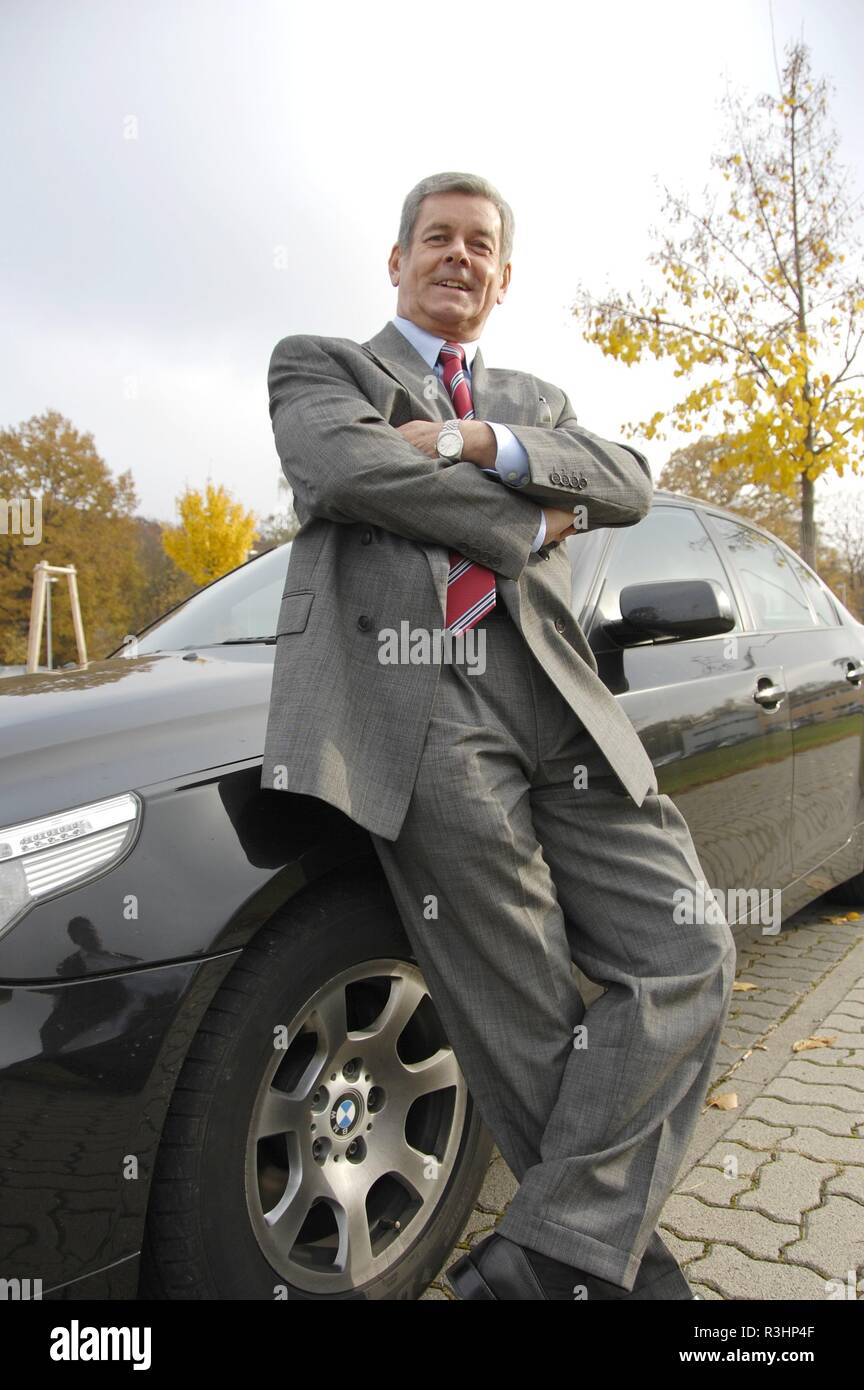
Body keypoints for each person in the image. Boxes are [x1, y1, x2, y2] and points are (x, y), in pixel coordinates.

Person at [261, 170, 736, 1300]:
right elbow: (339, 466)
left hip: (562, 700)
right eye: (438, 238)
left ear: (504, 275)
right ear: (397, 260)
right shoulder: (321, 365)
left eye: (481, 244)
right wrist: (536, 512)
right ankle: (606, 1271)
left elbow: (628, 482)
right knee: (525, 1008)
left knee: (692, 952)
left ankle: (549, 1256)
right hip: (423, 703)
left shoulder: (533, 394)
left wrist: (477, 441)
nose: (459, 256)